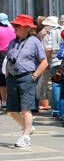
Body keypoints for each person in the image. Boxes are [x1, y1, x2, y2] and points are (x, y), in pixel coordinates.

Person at [4, 15, 46, 147]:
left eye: (18, 26)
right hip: (12, 78)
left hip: (27, 77)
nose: (15, 28)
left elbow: (44, 62)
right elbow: (8, 59)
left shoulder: (34, 41)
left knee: (25, 109)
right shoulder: (12, 42)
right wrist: (7, 74)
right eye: (15, 26)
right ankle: (27, 127)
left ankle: (26, 136)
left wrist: (34, 76)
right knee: (12, 110)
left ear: (27, 28)